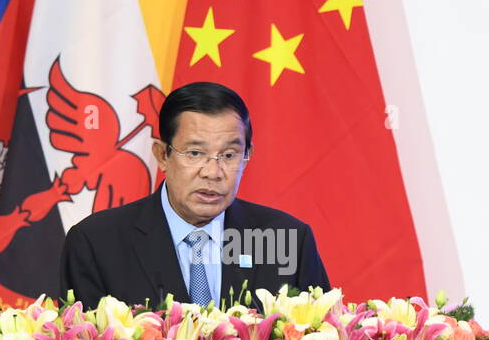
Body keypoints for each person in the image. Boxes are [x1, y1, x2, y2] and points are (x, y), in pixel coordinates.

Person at [59, 81, 331, 308]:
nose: (213, 172)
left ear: (247, 157)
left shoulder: (287, 241)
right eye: (195, 153)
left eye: (228, 155)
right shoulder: (97, 244)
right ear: (162, 155)